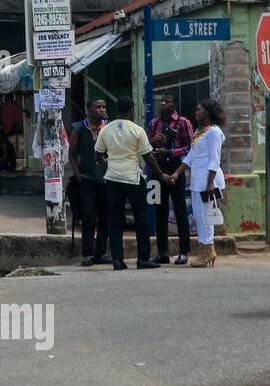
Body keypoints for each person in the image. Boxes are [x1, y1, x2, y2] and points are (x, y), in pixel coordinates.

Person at [94, 95, 168, 270]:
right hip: (133, 179)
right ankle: (143, 259)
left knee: (115, 219)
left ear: (117, 110)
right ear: (132, 110)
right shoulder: (137, 130)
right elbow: (148, 157)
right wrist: (161, 174)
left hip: (112, 179)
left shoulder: (106, 130)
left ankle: (117, 260)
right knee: (141, 218)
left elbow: (98, 154)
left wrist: (107, 162)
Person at [167, 99, 226, 267]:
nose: (196, 112)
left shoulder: (214, 132)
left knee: (206, 218)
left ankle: (208, 251)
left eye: (199, 109)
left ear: (207, 112)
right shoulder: (200, 132)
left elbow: (215, 160)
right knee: (199, 217)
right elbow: (191, 156)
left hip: (208, 181)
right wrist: (177, 173)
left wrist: (210, 183)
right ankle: (205, 250)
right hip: (197, 180)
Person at [148, 92, 194, 265]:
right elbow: (146, 148)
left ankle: (184, 252)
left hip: (176, 169)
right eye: (162, 101)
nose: (164, 104)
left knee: (180, 210)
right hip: (158, 169)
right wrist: (153, 141)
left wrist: (170, 152)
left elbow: (190, 148)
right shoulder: (154, 123)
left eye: (168, 101)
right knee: (160, 211)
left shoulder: (183, 122)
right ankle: (162, 252)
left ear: (175, 104)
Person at [68, 97, 109, 267]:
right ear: (89, 109)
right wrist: (78, 174)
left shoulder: (108, 127)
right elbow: (71, 154)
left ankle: (101, 253)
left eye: (104, 106)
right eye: (98, 106)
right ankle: (88, 253)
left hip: (107, 179)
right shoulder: (79, 128)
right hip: (87, 180)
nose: (101, 109)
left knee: (106, 218)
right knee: (88, 218)